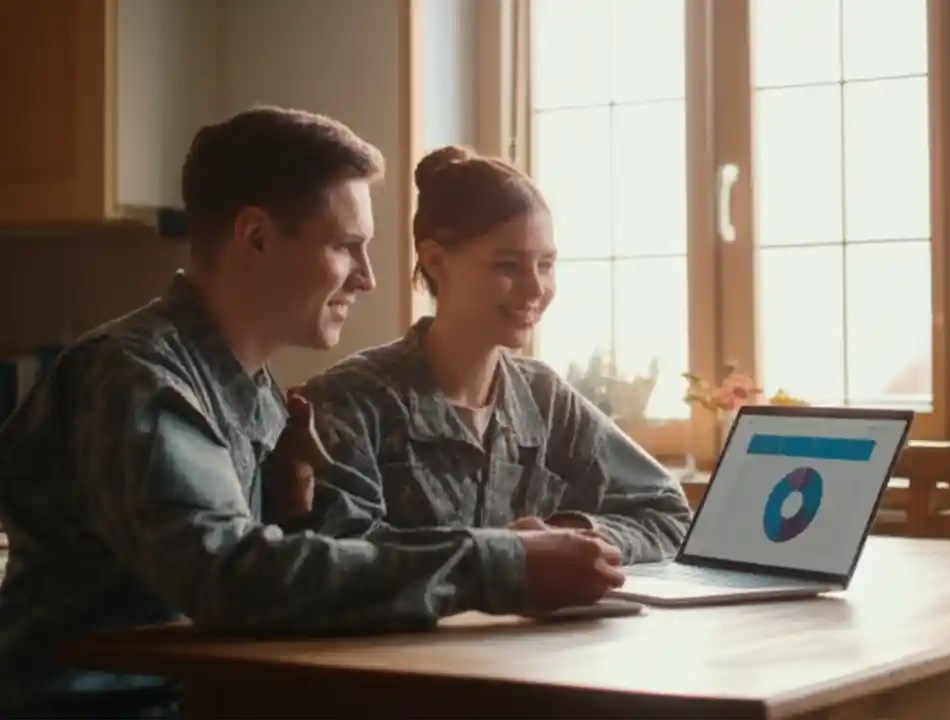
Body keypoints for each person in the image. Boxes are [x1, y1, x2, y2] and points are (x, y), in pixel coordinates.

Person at [0, 109, 621, 717]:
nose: (369, 279)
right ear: (257, 236)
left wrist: (295, 502)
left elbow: (289, 573)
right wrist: (500, 563)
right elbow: (229, 578)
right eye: (346, 247)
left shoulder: (257, 391)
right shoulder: (137, 377)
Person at [297, 145, 692, 564]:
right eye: (508, 266)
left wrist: (574, 536)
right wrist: (509, 556)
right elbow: (340, 557)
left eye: (546, 265)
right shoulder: (351, 402)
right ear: (435, 262)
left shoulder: (545, 400)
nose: (536, 289)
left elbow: (668, 513)